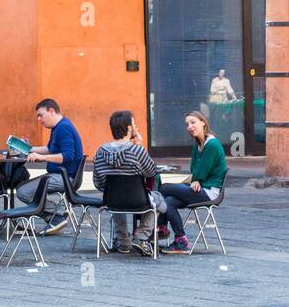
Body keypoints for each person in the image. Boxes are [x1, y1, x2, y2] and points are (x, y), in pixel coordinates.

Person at [92, 110, 159, 255]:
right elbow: (151, 172)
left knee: (117, 199)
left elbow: (98, 183)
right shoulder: (137, 151)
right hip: (138, 200)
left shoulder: (100, 152)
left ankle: (122, 241)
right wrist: (139, 147)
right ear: (129, 128)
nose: (136, 127)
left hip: (111, 201)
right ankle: (141, 237)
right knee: (158, 199)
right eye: (134, 124)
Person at [160, 111, 228, 255]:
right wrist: (196, 179)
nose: (189, 126)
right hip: (199, 188)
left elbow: (200, 173)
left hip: (209, 192)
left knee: (164, 187)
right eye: (187, 124)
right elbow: (194, 171)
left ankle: (161, 227)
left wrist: (197, 179)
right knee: (168, 201)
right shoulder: (197, 144)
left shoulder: (212, 145)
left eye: (193, 122)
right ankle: (181, 241)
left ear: (203, 122)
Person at [14, 98, 83, 234]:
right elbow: (50, 149)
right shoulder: (59, 127)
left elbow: (67, 155)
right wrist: (29, 149)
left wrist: (42, 157)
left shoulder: (63, 128)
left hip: (65, 178)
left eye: (41, 115)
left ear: (51, 111)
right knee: (23, 186)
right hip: (60, 175)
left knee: (23, 192)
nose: (39, 119)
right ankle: (56, 216)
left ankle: (56, 217)